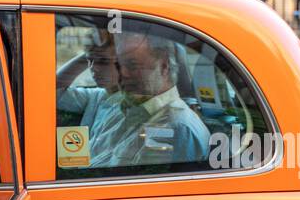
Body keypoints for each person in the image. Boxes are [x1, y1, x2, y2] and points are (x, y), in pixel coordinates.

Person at [84, 29, 210, 168]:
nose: (122, 74)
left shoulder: (176, 128)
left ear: (164, 66)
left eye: (133, 65)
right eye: (118, 65)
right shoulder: (123, 108)